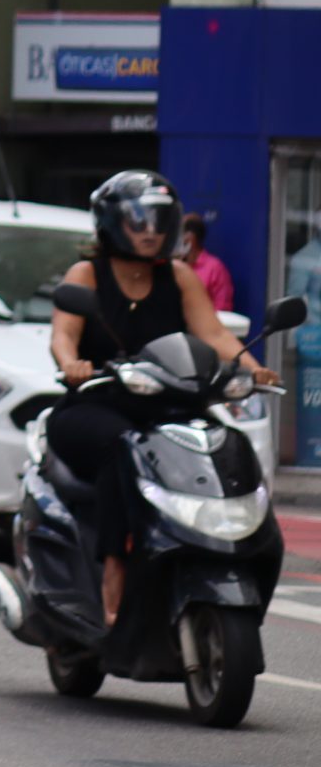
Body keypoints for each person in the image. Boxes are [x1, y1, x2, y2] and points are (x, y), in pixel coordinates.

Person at [47, 170, 275, 626]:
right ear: (112, 223)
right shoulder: (87, 274)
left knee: (222, 443)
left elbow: (212, 333)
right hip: (96, 404)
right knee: (122, 447)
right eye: (138, 221)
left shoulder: (180, 276)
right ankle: (114, 568)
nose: (149, 231)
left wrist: (252, 368)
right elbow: (63, 335)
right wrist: (72, 363)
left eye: (158, 221)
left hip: (167, 406)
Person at [177, 212, 235, 318]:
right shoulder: (174, 268)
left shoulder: (215, 269)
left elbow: (223, 311)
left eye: (178, 235)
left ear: (190, 238)